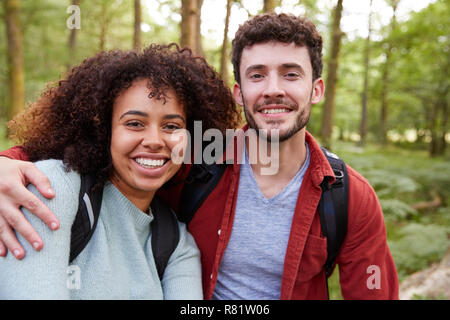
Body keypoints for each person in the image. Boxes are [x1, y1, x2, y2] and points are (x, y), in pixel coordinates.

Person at [0, 13, 399, 300]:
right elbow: (74, 150)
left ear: (316, 89)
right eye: (257, 75)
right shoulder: (196, 161)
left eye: (291, 74)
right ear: (239, 92)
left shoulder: (348, 198)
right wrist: (6, 162)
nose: (273, 89)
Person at [0, 43, 240, 299]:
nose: (155, 140)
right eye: (135, 123)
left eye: (171, 126)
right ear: (104, 131)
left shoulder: (178, 245)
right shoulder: (54, 187)